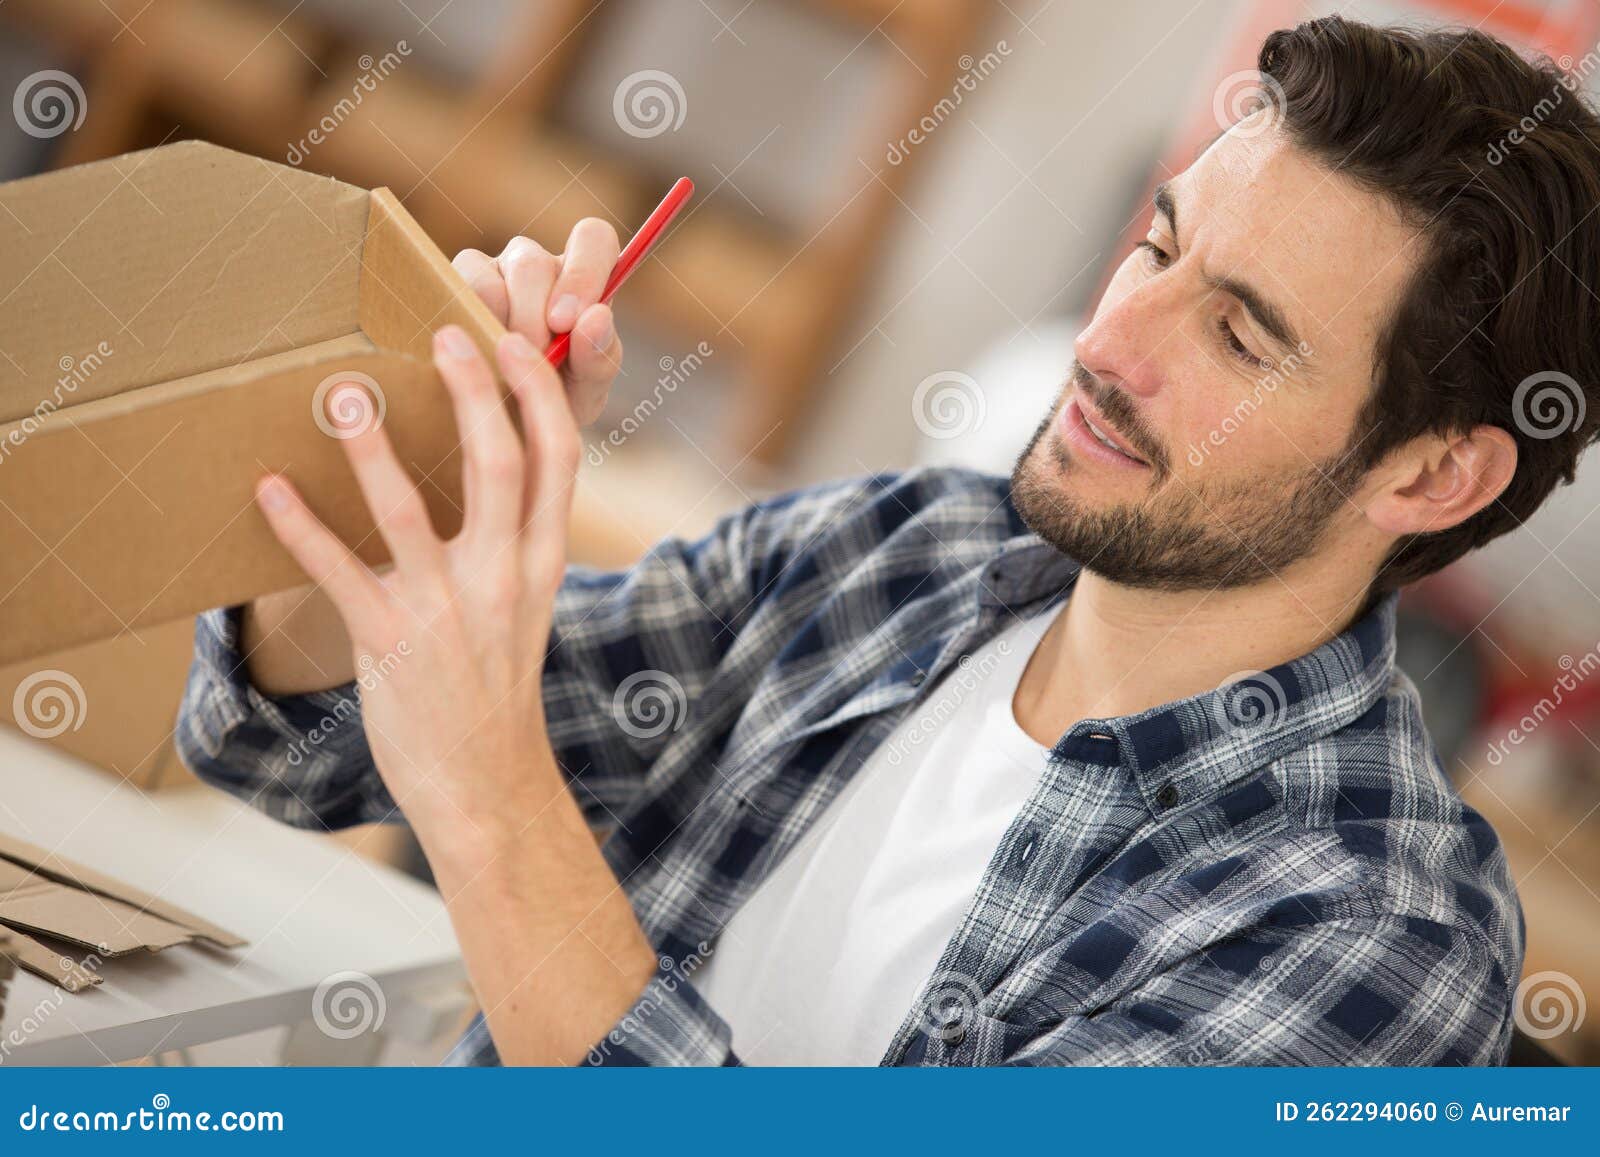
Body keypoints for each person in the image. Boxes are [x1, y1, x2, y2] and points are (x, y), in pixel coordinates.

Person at [176, 16, 1600, 1065]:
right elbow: (290, 740)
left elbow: (464, 774)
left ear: (1433, 470)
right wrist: (421, 483)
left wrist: (489, 801)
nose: (1108, 343)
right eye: (1156, 250)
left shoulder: (1372, 938)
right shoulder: (897, 559)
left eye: (1237, 331)